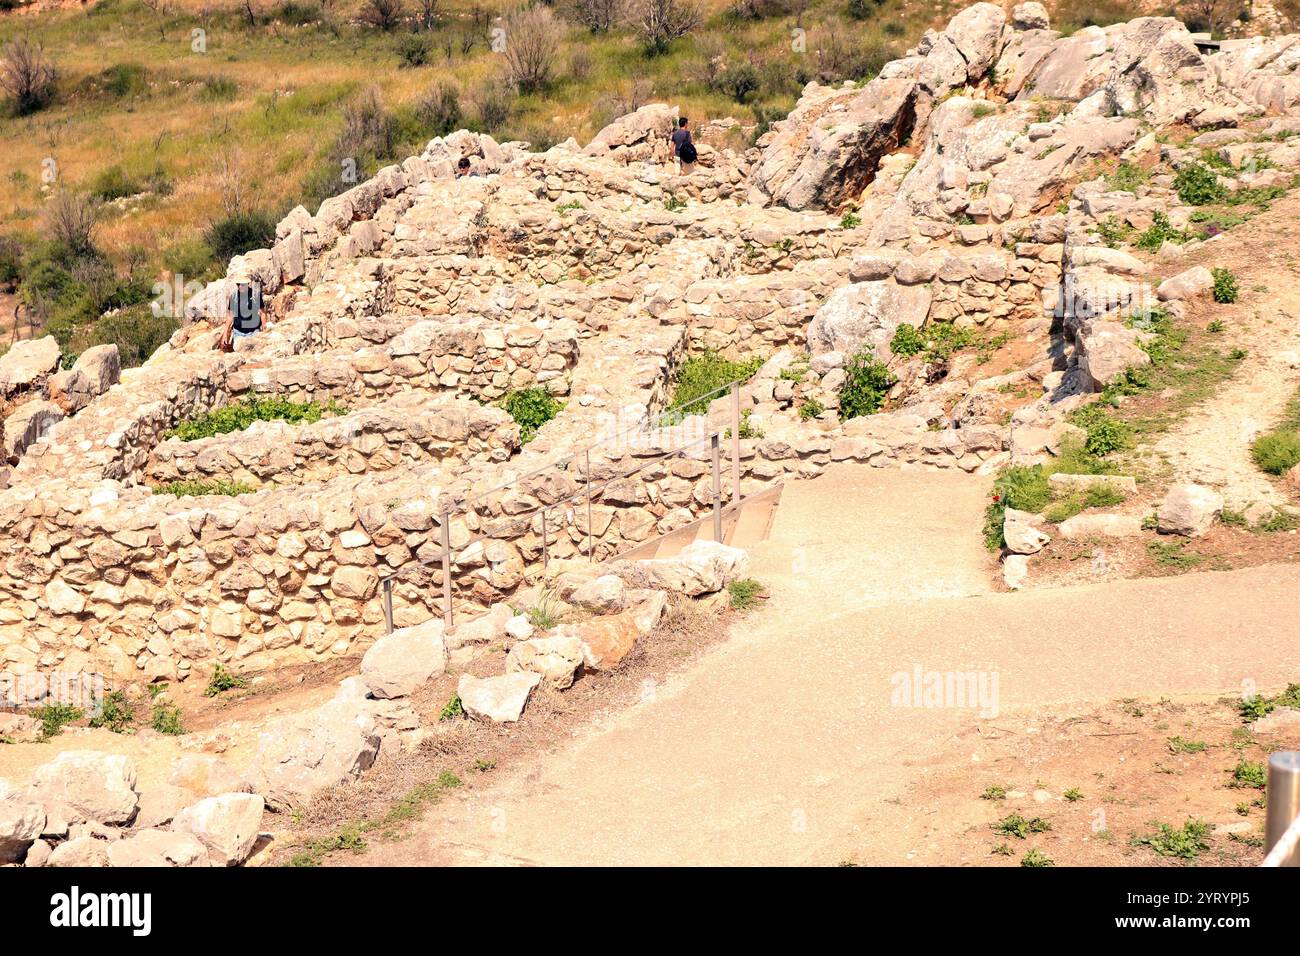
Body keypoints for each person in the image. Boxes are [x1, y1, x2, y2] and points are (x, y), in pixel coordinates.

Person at [220, 271, 265, 351]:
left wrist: (264, 330)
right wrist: (225, 333)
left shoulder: (256, 295)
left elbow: (262, 313)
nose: (240, 286)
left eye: (242, 284)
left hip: (254, 332)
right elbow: (230, 316)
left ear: (248, 284)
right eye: (238, 284)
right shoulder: (234, 297)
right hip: (238, 333)